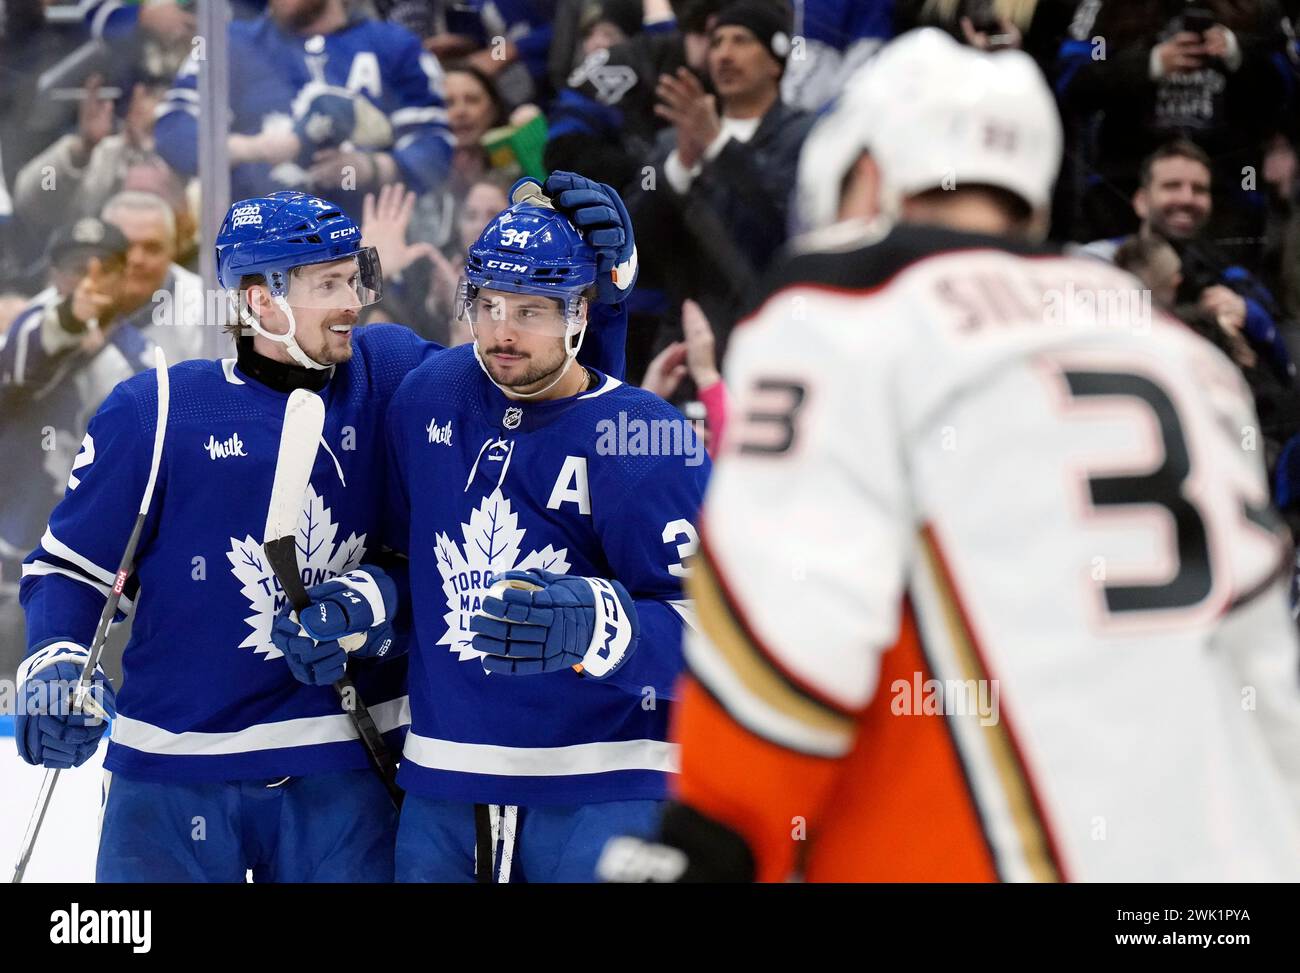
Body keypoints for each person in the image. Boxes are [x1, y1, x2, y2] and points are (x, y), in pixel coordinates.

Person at [602, 28, 1300, 882]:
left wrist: (707, 833)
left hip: (969, 844)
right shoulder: (1177, 352)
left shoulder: (843, 316)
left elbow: (787, 634)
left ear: (865, 174)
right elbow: (1263, 668)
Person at [13, 176, 632, 882]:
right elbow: (74, 571)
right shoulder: (156, 412)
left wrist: (603, 301)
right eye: (328, 284)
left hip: (342, 765)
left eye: (355, 277)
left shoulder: (394, 374)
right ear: (258, 299)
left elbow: (547, 415)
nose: (353, 302)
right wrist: (56, 663)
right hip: (174, 766)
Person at [383, 175, 709, 883]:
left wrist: (604, 622)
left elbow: (719, 632)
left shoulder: (644, 436)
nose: (502, 331)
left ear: (580, 313)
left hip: (604, 783)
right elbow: (399, 555)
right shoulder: (429, 394)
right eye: (490, 304)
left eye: (531, 310)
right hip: (446, 778)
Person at [153, 0, 453, 211]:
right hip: (259, 247)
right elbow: (173, 132)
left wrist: (371, 168)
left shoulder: (395, 45)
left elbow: (435, 146)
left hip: (366, 250)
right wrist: (259, 148)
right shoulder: (230, 44)